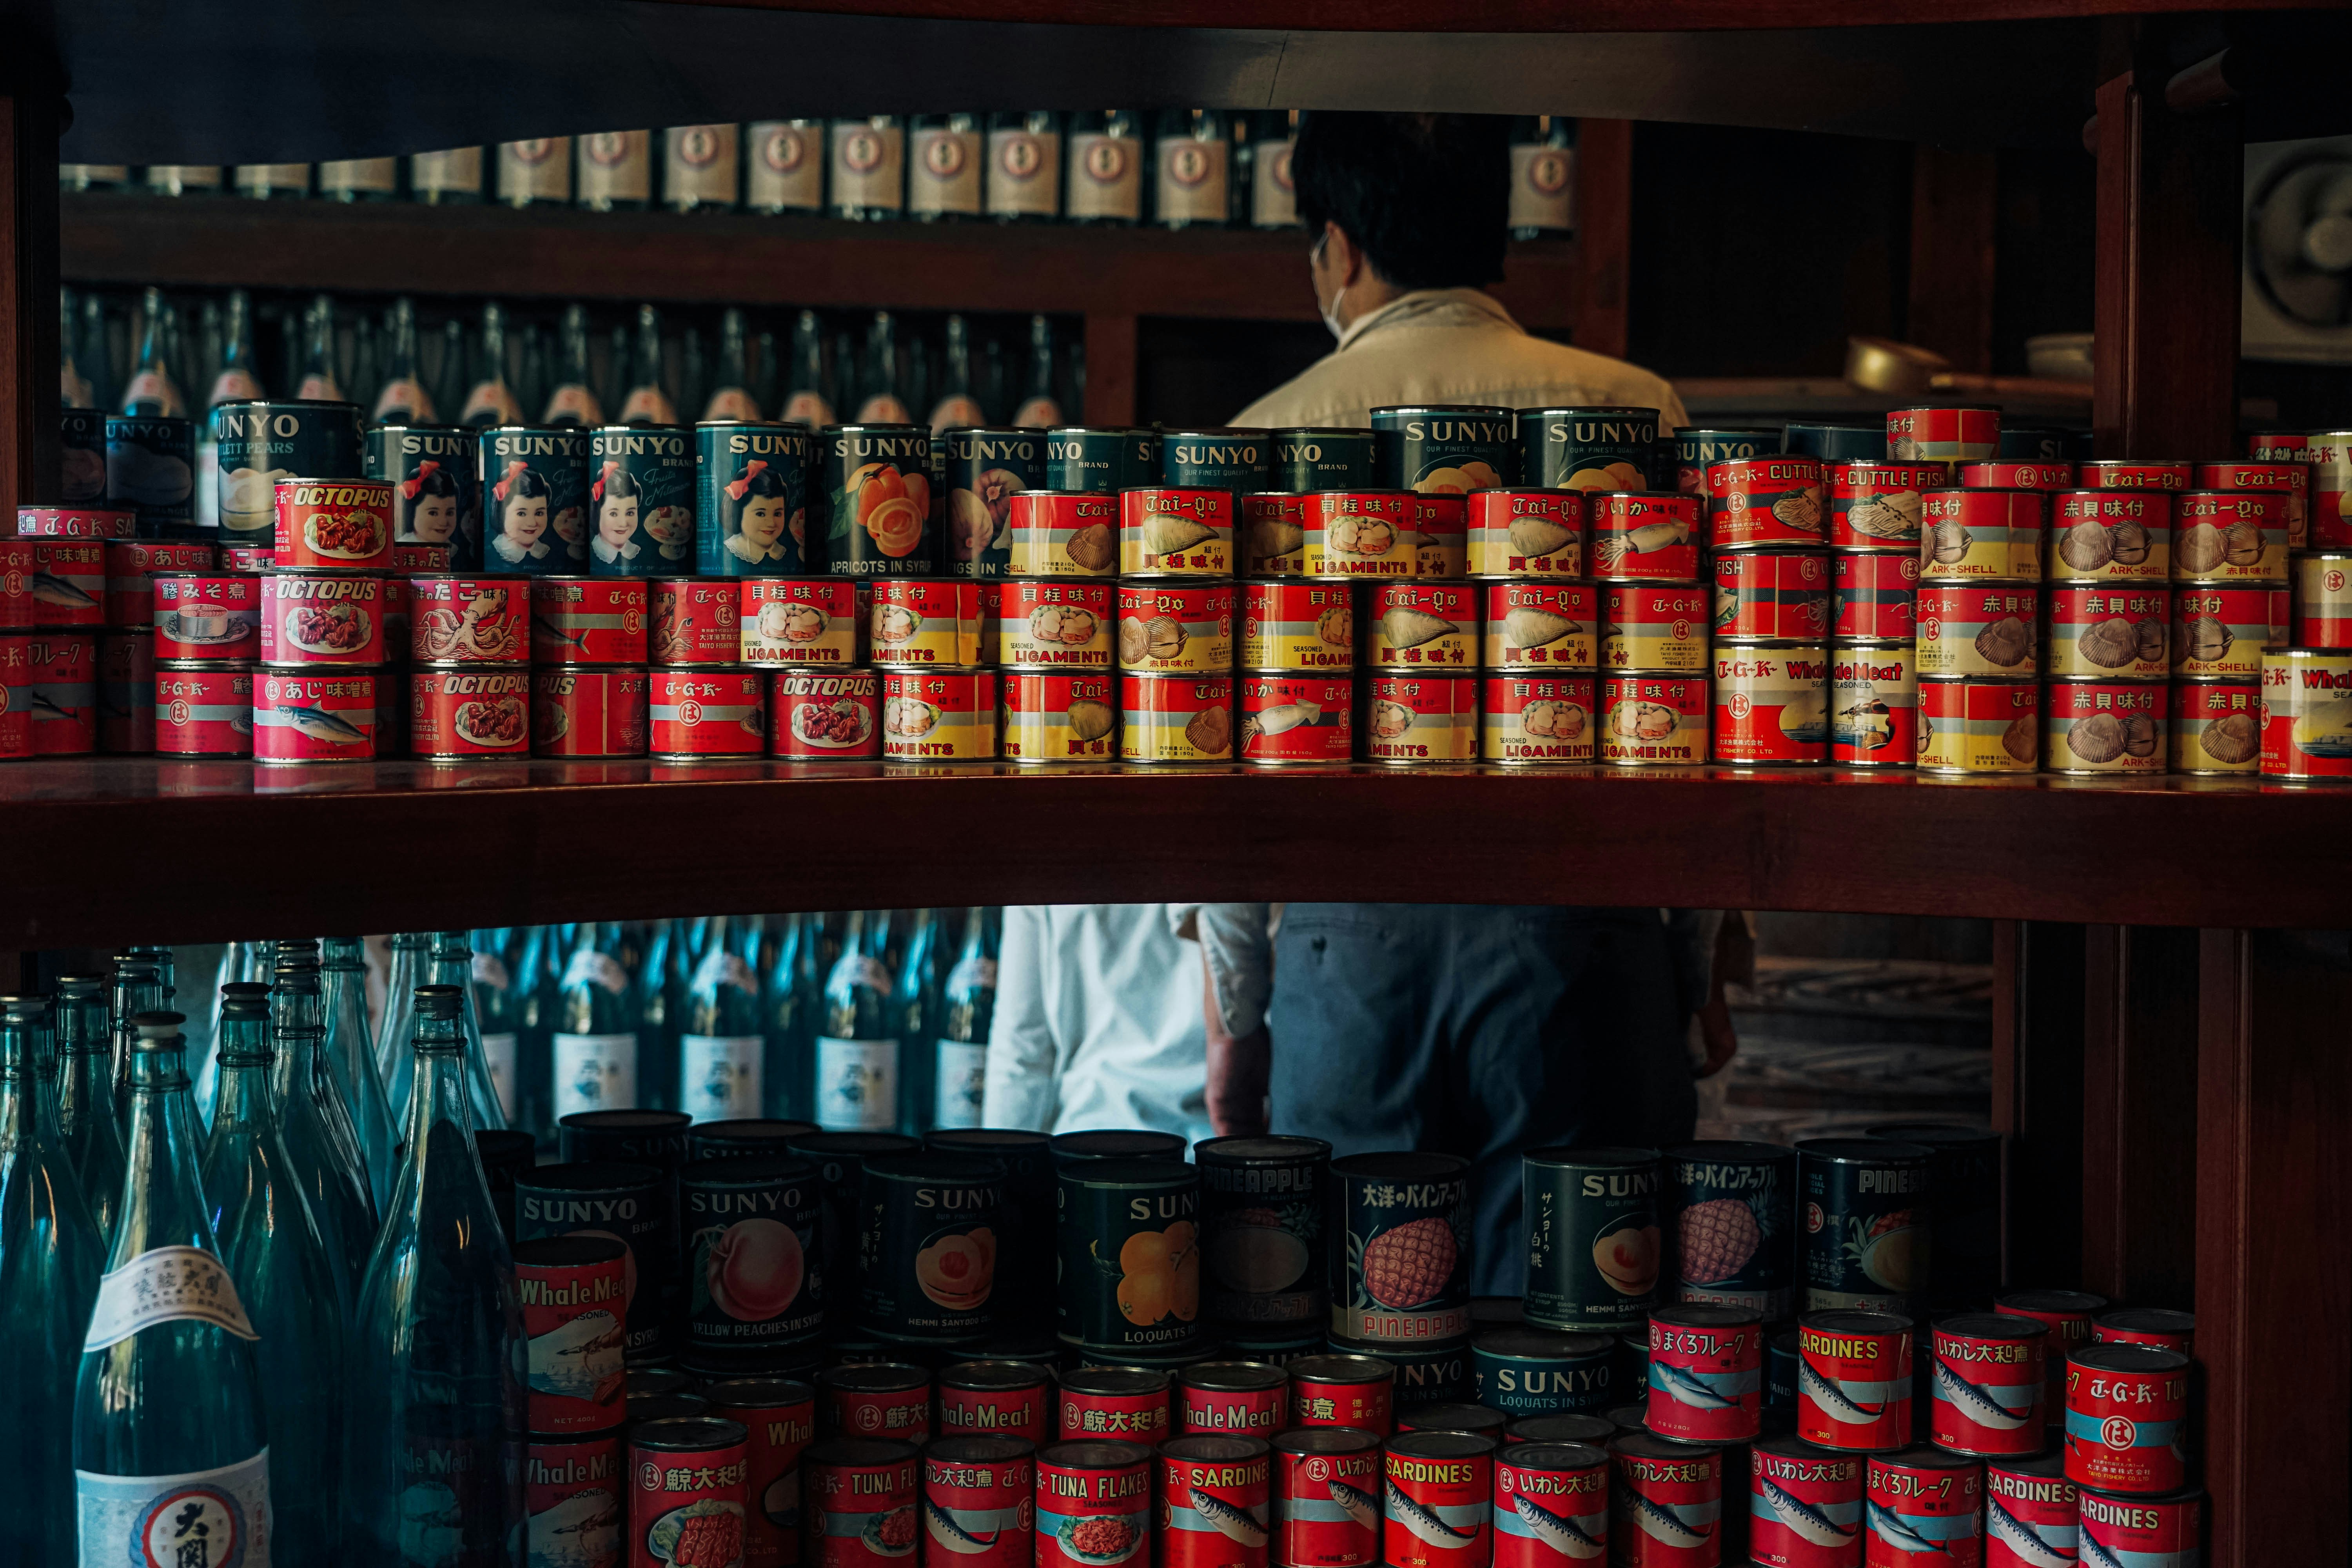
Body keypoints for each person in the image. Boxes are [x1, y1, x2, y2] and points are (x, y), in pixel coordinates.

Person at [1202, 113, 1737, 1295]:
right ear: (1499, 230)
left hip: (1349, 947)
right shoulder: (1640, 412)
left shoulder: (1267, 437)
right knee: (1584, 1330)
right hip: (1589, 929)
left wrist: (1238, 1016)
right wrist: (1693, 968)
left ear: (1336, 249)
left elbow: (1235, 771)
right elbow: (1691, 702)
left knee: (1364, 1335)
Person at [982, 904, 1215, 1146]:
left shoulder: (1037, 872)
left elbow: (1021, 1044)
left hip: (1087, 1143)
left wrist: (1005, 1170)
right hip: (1209, 1149)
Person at [487, 462, 552, 566]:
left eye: (539, 513)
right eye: (521, 513)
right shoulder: (495, 551)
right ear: (501, 512)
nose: (532, 523)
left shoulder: (544, 550)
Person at [591, 461, 643, 567]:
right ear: (597, 513)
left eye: (630, 513)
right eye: (614, 514)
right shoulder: (591, 553)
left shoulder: (639, 552)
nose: (623, 523)